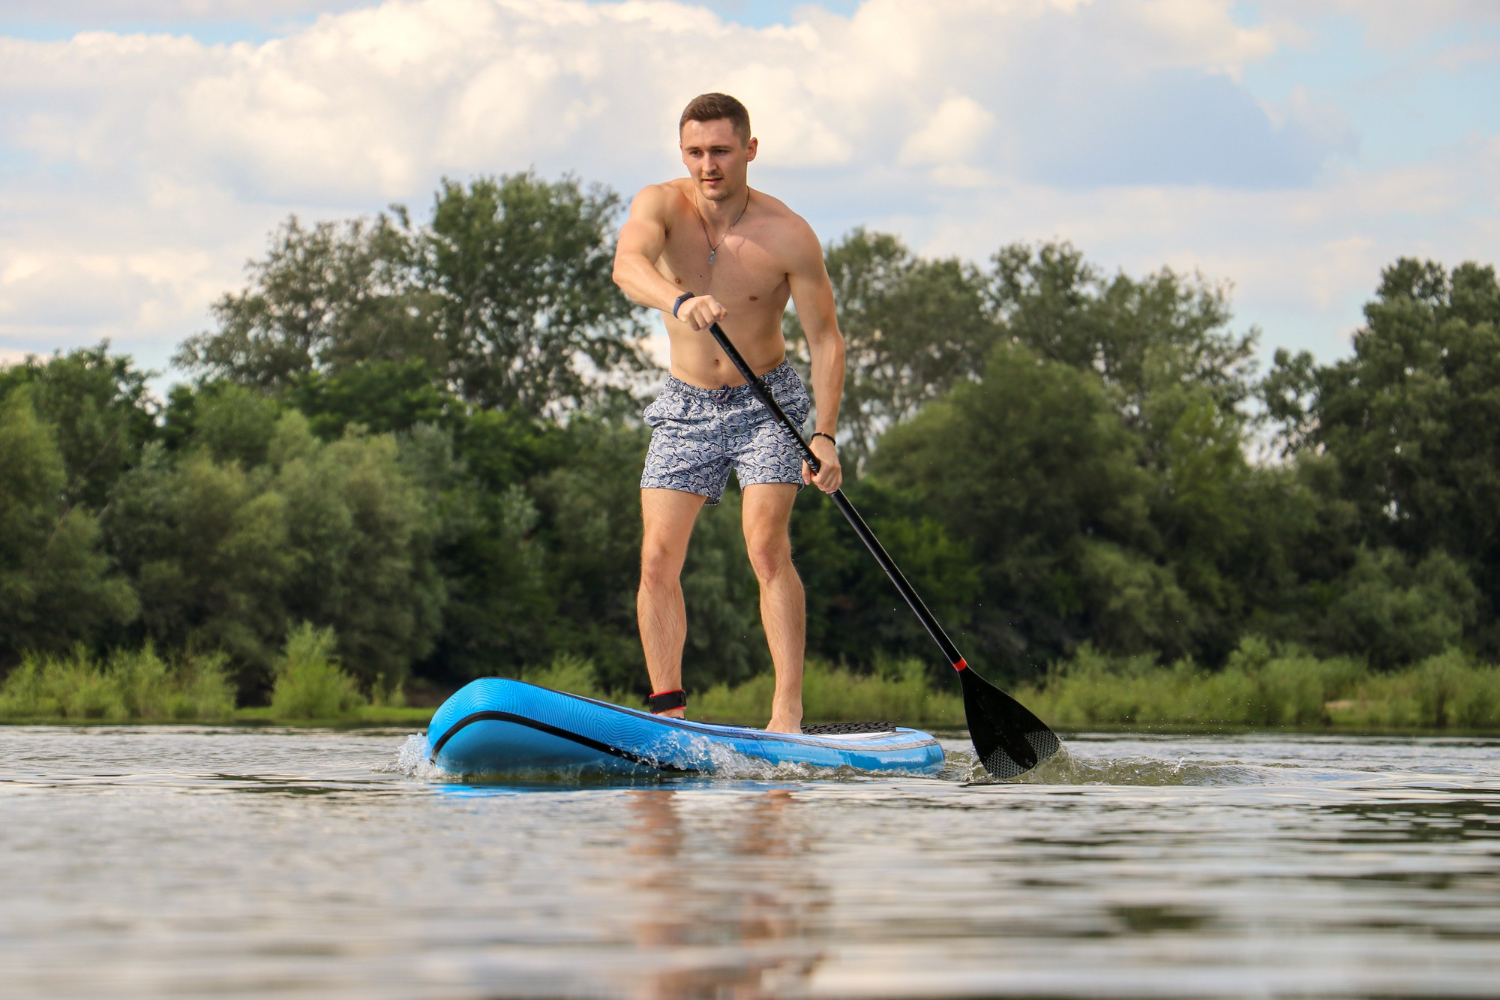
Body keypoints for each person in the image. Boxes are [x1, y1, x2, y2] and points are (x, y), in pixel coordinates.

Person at [612, 92, 845, 734]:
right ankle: (669, 713)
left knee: (766, 549)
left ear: (749, 149)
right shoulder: (659, 204)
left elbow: (826, 338)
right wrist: (678, 298)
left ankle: (787, 713)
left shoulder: (788, 233)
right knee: (657, 558)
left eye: (719, 151)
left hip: (767, 401)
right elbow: (626, 267)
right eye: (694, 152)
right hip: (685, 402)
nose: (707, 165)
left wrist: (824, 434)